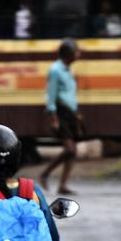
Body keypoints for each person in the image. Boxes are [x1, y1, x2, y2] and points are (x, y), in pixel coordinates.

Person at [40, 39, 82, 195]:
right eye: (76, 51)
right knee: (70, 148)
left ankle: (63, 185)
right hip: (61, 112)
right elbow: (51, 95)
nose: (79, 54)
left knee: (73, 150)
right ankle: (45, 174)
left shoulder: (68, 69)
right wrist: (54, 118)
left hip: (71, 113)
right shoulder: (55, 70)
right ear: (69, 54)